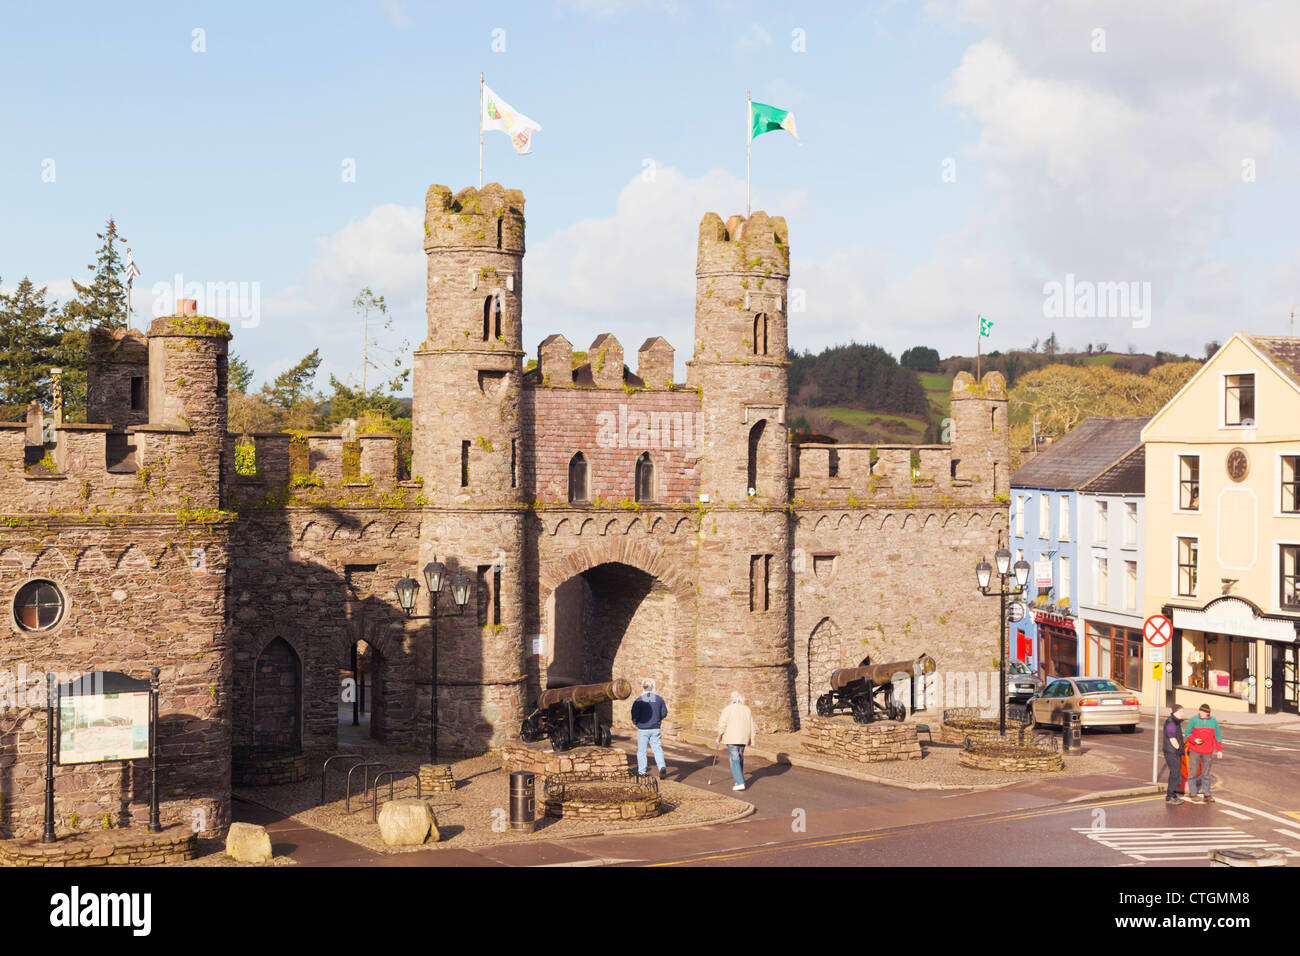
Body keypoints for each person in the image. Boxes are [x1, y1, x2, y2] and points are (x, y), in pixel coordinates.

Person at [716, 690, 756, 791]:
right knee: (739, 758)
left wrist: (719, 735)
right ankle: (738, 779)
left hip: (732, 737)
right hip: (743, 738)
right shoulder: (747, 709)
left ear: (732, 699)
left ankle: (740, 782)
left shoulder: (728, 709)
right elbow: (752, 725)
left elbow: (722, 723)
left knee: (734, 759)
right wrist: (752, 738)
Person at [630, 678, 668, 779]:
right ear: (653, 687)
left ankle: (642, 772)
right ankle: (662, 767)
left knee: (642, 751)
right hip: (655, 728)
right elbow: (664, 713)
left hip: (643, 729)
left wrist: (636, 723)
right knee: (657, 749)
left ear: (643, 687)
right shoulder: (659, 699)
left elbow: (634, 715)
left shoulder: (639, 700)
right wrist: (658, 720)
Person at [1185, 703, 1224, 803]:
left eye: (1203, 712)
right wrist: (1194, 740)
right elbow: (1187, 734)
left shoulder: (1213, 721)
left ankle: (1207, 795)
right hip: (1194, 750)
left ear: (1208, 713)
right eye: (1200, 711)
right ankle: (1193, 794)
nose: (1201, 713)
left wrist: (1219, 750)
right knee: (1192, 773)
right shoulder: (1194, 720)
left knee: (1206, 774)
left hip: (1208, 752)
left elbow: (1217, 736)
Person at [1162, 705, 1186, 804]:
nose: (1182, 714)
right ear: (1175, 712)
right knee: (1175, 773)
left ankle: (1172, 794)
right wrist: (1179, 748)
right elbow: (1172, 738)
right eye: (1181, 712)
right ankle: (1170, 796)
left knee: (1174, 773)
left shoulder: (1175, 721)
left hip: (1173, 751)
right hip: (1172, 752)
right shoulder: (1171, 722)